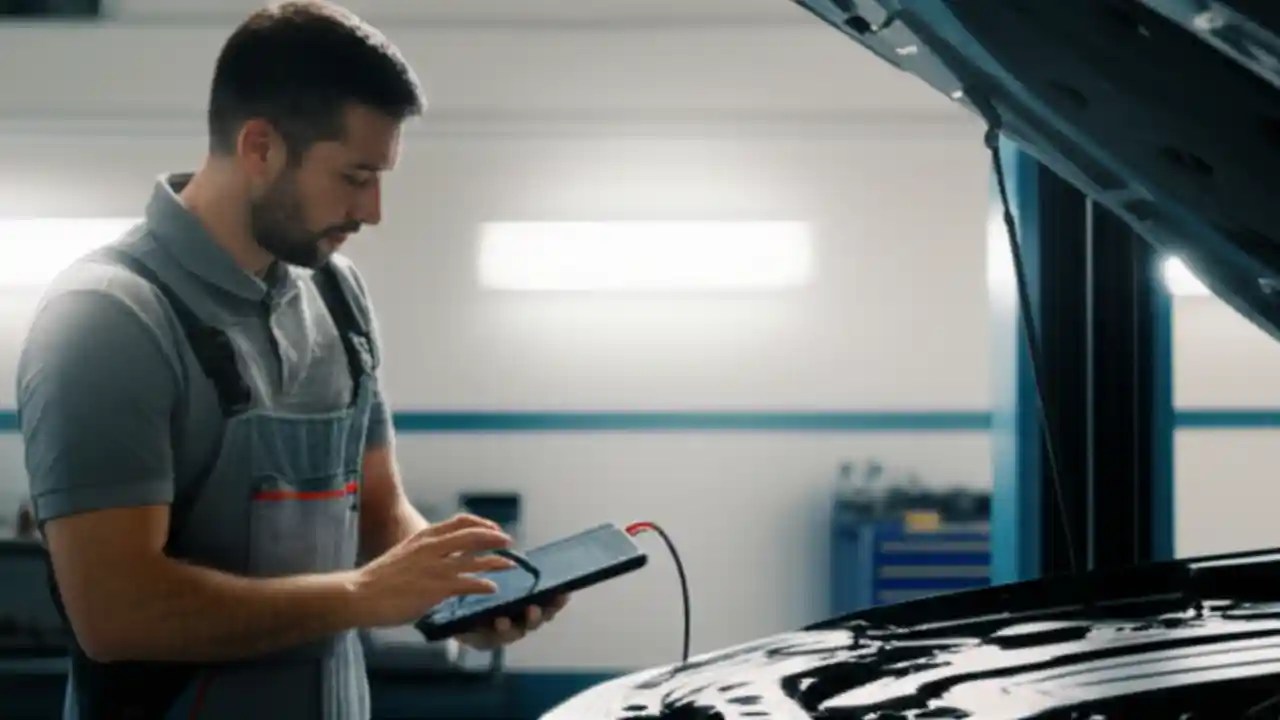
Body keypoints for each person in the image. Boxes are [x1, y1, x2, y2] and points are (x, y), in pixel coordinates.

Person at [15, 2, 567, 717]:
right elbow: (116, 613)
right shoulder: (108, 318)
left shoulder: (338, 298)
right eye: (355, 175)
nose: (373, 210)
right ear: (261, 148)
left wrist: (459, 587)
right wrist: (362, 596)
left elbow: (375, 516)